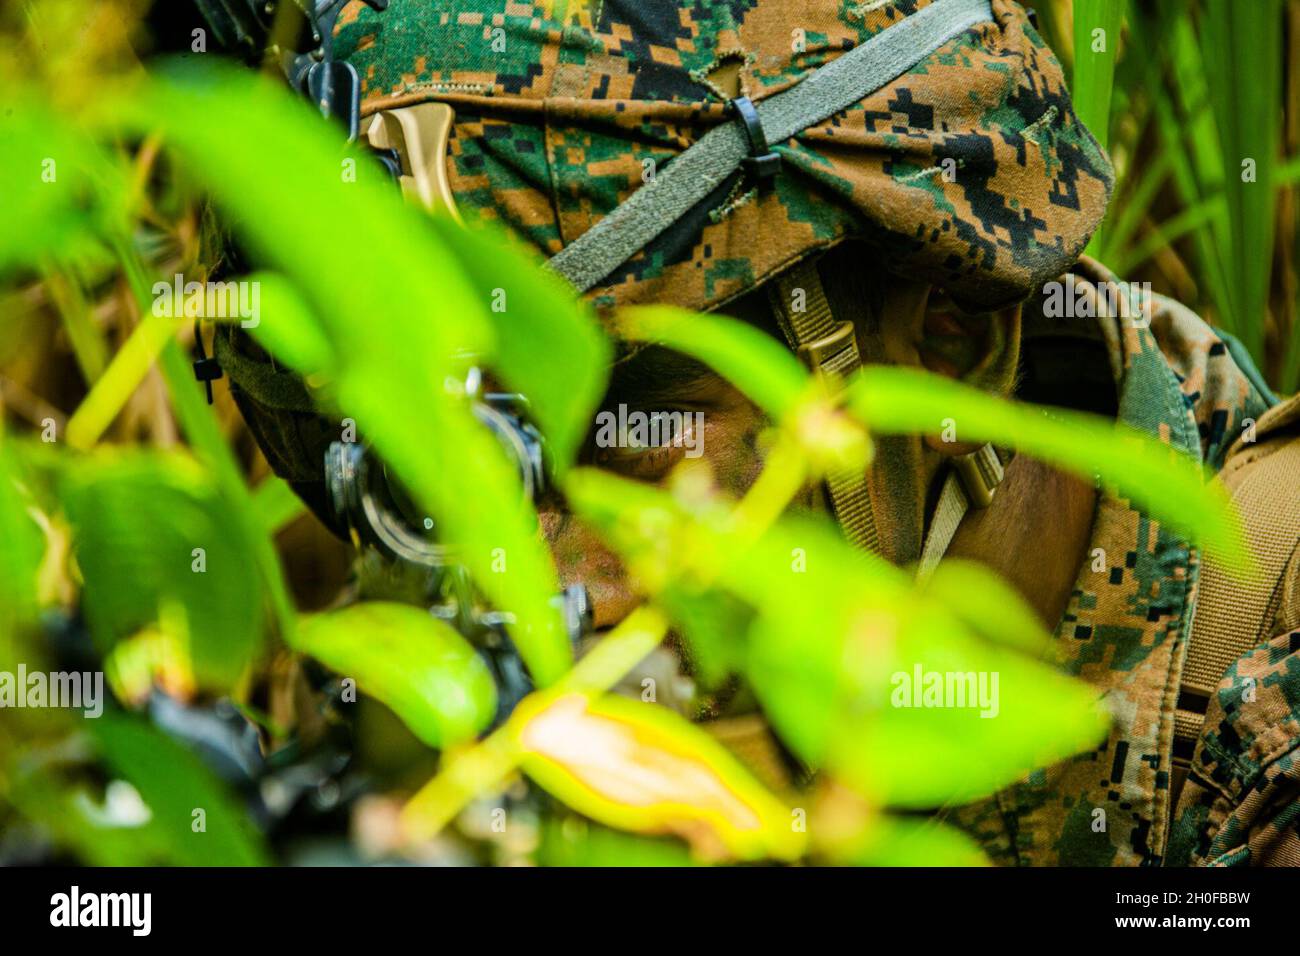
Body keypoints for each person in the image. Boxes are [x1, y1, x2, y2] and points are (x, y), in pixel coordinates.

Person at [217, 0, 1300, 866]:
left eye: (607, 439)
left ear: (949, 338)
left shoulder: (1261, 712)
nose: (515, 580)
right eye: (426, 475)